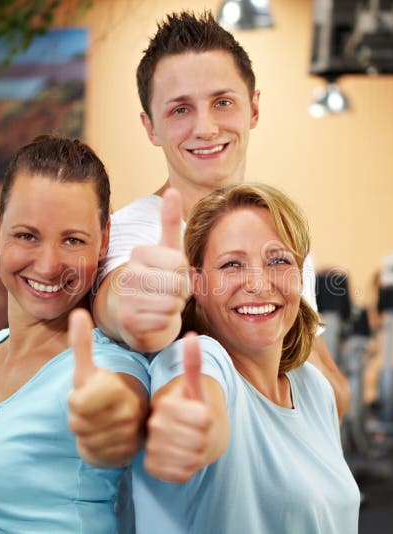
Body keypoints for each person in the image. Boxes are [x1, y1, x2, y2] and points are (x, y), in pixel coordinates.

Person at [91, 10, 349, 419]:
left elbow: (331, 391)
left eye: (223, 102)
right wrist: (143, 301)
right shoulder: (135, 231)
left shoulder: (280, 236)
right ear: (151, 127)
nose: (206, 128)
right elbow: (124, 297)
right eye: (180, 110)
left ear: (254, 109)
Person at [0, 135, 150, 533]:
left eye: (73, 240)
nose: (49, 264)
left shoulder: (106, 368)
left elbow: (120, 411)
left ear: (104, 240)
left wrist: (118, 421)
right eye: (27, 235)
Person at [134, 183, 360, 533]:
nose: (258, 282)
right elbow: (193, 404)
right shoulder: (201, 362)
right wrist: (183, 429)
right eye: (232, 265)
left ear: (300, 275)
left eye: (278, 260)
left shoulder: (314, 388)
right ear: (197, 283)